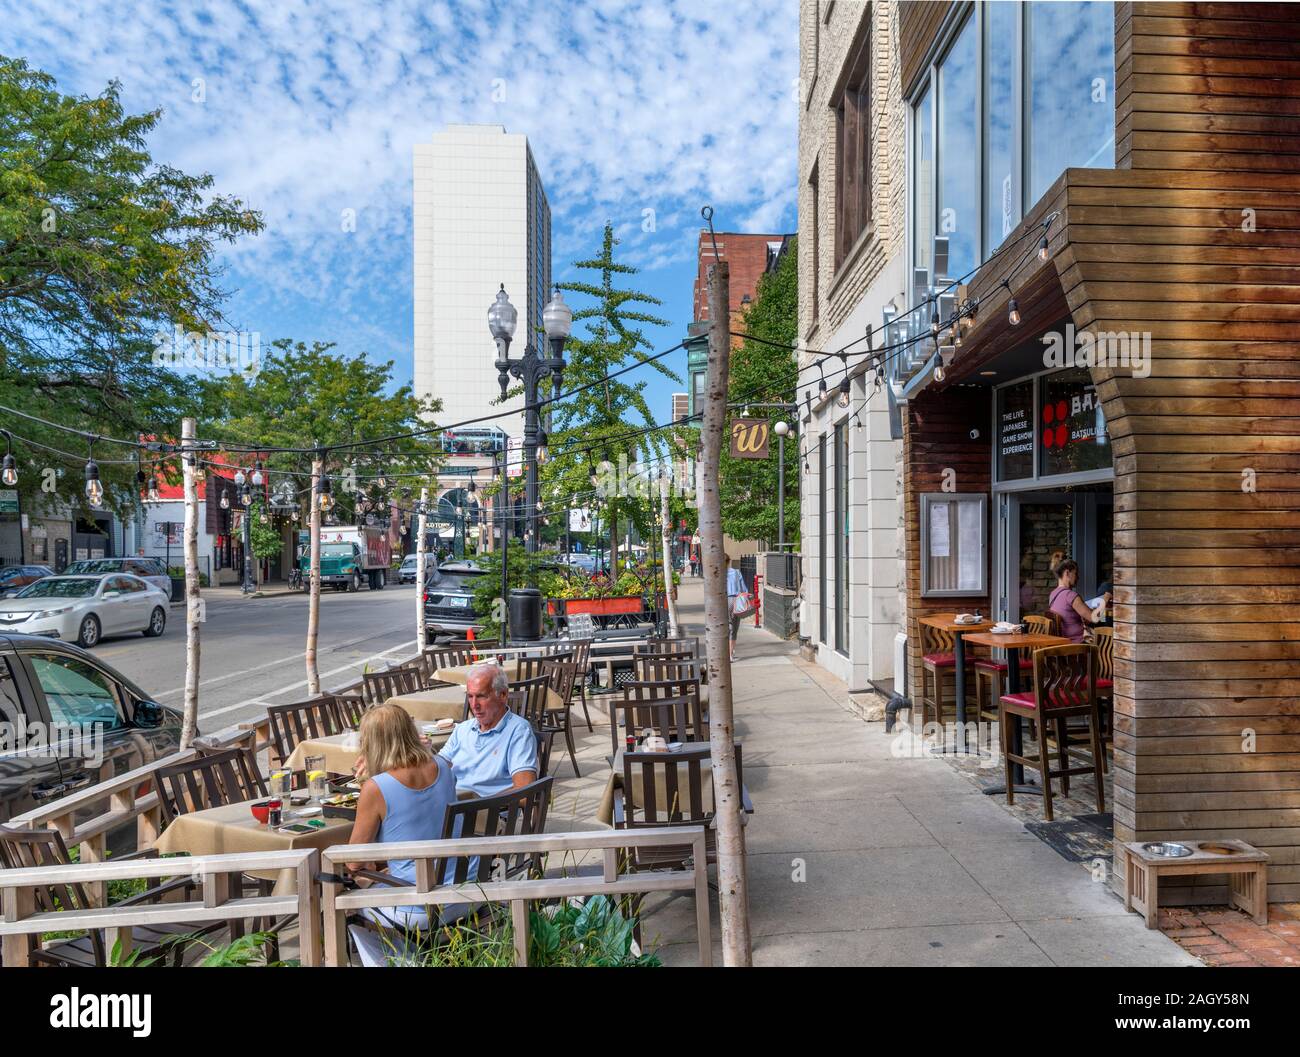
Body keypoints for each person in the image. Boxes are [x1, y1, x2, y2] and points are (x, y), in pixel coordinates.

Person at [347, 704, 458, 930]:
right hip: (464, 890)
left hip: (418, 903)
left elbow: (353, 861)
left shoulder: (376, 787)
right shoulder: (442, 766)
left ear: (372, 743)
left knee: (345, 904)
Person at [441, 663, 538, 796]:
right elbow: (437, 767)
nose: (474, 705)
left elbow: (525, 792)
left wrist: (480, 804)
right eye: (470, 696)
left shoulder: (518, 731)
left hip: (482, 810)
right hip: (450, 803)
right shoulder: (462, 729)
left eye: (481, 696)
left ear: (503, 695)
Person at [1048, 558, 1099, 644]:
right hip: (1077, 644)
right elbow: (1094, 618)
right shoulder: (1071, 596)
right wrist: (1105, 599)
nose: (1078, 577)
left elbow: (1068, 615)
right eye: (1076, 573)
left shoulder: (1053, 594)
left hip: (1063, 642)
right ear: (1067, 573)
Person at [725, 554, 747, 663]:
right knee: (733, 629)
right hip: (735, 600)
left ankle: (726, 653)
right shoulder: (736, 572)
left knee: (724, 628)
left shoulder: (718, 574)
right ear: (729, 561)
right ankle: (730, 654)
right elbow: (744, 589)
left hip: (722, 601)